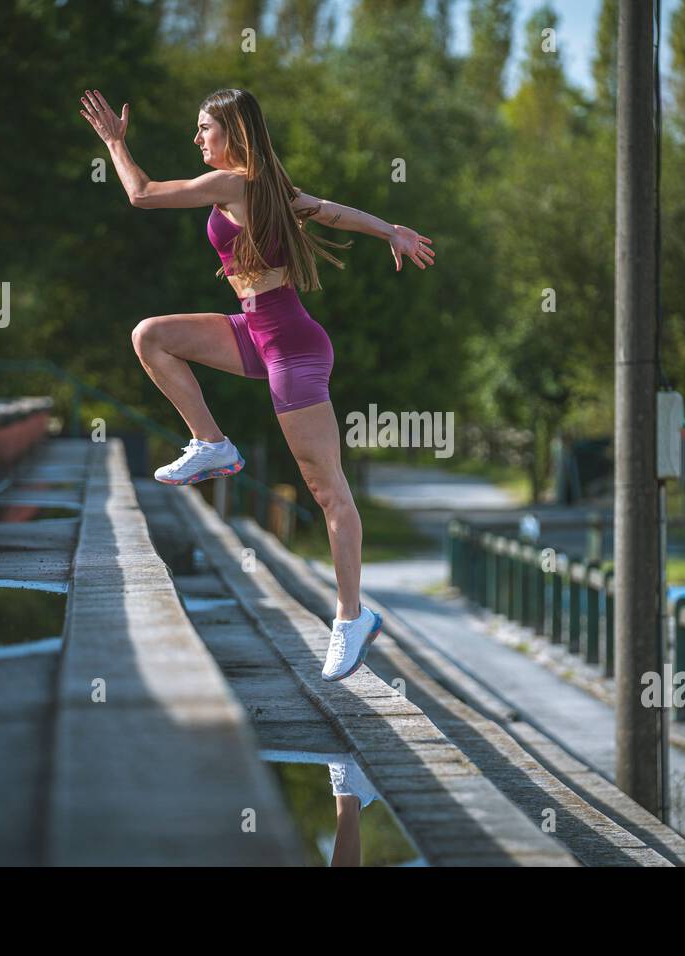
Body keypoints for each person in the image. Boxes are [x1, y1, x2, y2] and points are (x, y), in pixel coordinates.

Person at [78, 87, 434, 679]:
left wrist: (116, 143)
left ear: (233, 133)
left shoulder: (234, 182)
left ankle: (352, 617)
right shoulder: (268, 189)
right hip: (254, 329)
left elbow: (140, 194)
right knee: (151, 336)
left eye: (204, 130)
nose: (196, 140)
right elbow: (333, 211)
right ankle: (211, 443)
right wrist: (388, 229)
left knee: (327, 491)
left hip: (291, 344)